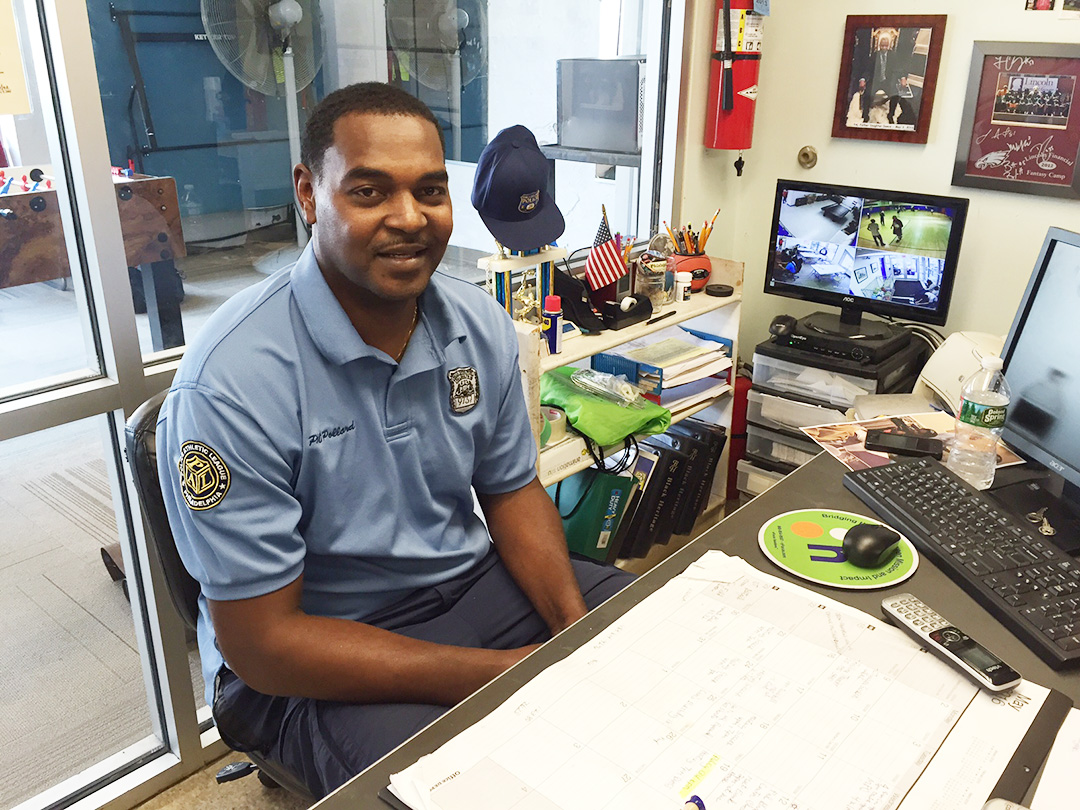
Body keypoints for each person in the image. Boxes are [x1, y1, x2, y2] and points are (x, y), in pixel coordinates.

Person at [156, 82, 634, 798]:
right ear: (310, 195)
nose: (409, 218)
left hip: (473, 584)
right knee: (476, 790)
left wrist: (571, 633)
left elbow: (510, 490)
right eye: (371, 192)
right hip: (314, 652)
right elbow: (263, 645)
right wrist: (500, 677)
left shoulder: (480, 327)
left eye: (430, 191)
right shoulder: (231, 382)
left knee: (655, 644)